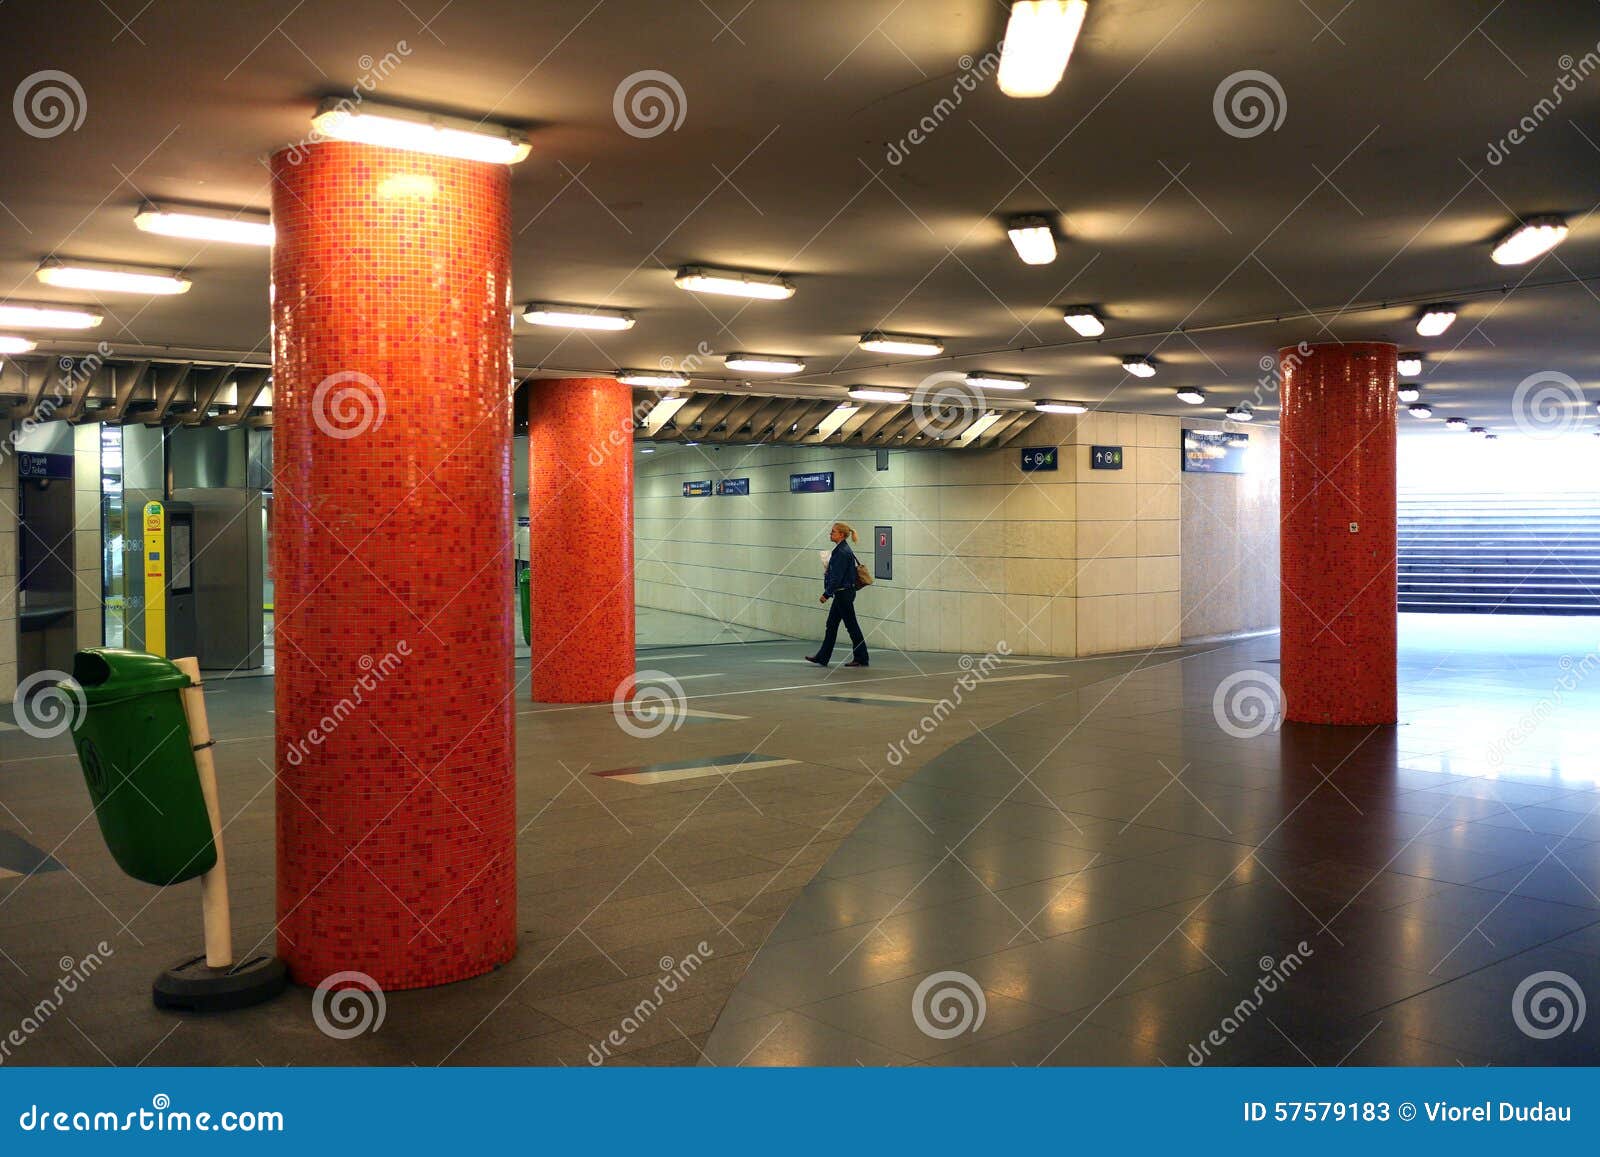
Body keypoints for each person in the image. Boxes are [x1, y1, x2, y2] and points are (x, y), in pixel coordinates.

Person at [806, 521, 870, 668]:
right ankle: (823, 657)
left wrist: (826, 594)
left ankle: (861, 657)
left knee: (851, 626)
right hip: (843, 593)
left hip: (843, 594)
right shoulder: (842, 549)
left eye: (833, 532)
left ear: (841, 534)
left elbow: (837, 578)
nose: (830, 534)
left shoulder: (841, 552)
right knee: (832, 624)